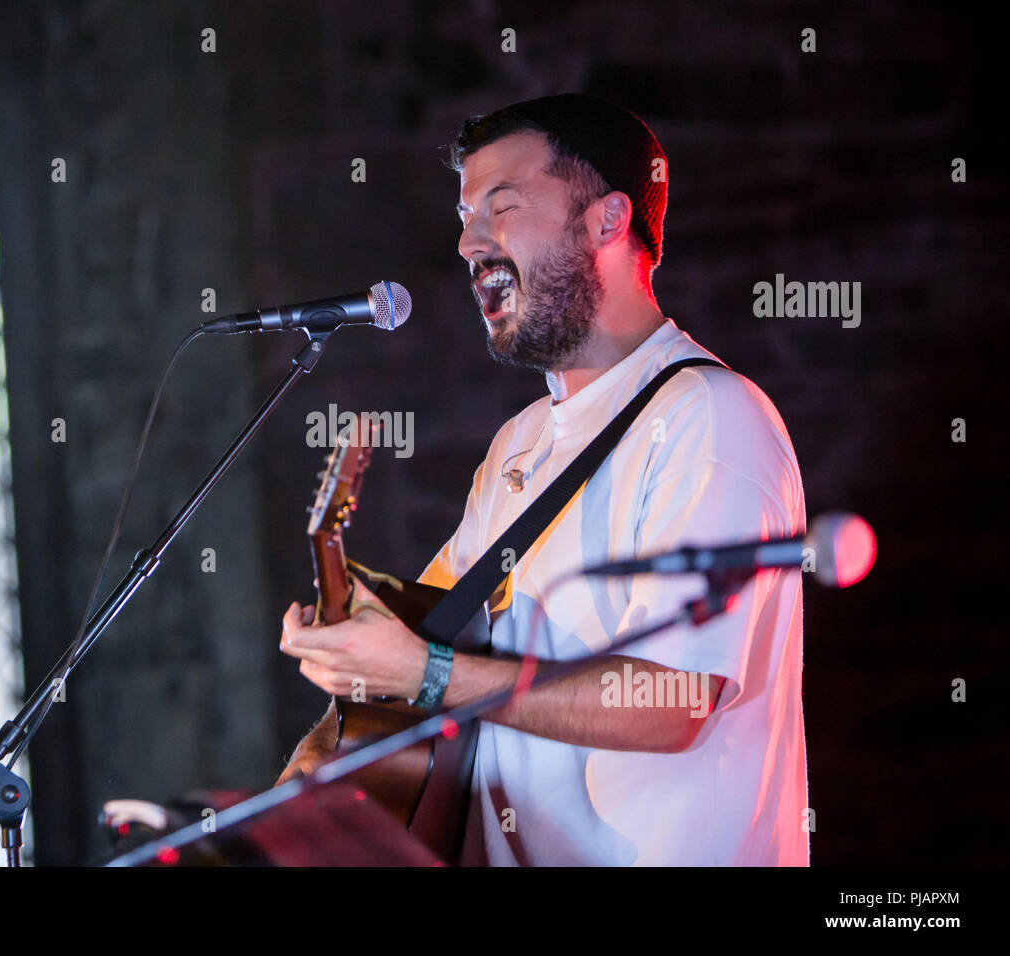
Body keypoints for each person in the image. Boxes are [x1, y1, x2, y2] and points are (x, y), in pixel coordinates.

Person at [276, 93, 808, 866]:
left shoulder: (710, 417)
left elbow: (675, 702)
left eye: (502, 206)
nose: (467, 242)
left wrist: (425, 674)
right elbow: (421, 637)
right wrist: (323, 743)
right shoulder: (517, 444)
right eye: (464, 215)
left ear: (608, 220)